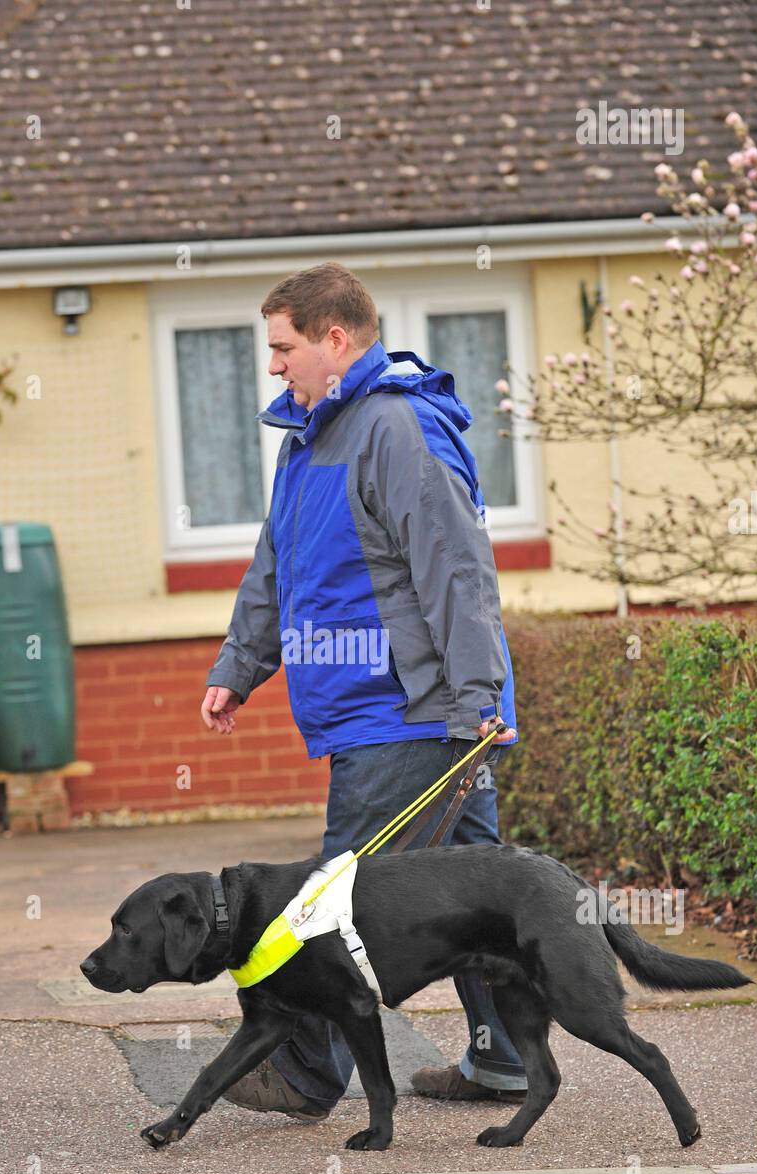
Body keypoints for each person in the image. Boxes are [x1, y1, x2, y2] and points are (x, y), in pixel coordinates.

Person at [202, 262, 527, 1118]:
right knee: (479, 902)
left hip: (413, 715)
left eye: (284, 347)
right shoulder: (306, 441)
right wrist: (240, 666)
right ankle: (505, 1061)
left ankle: (305, 1074)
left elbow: (457, 572)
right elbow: (276, 567)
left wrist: (476, 704)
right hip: (390, 716)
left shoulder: (395, 429)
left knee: (333, 904)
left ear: (335, 339)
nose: (273, 366)